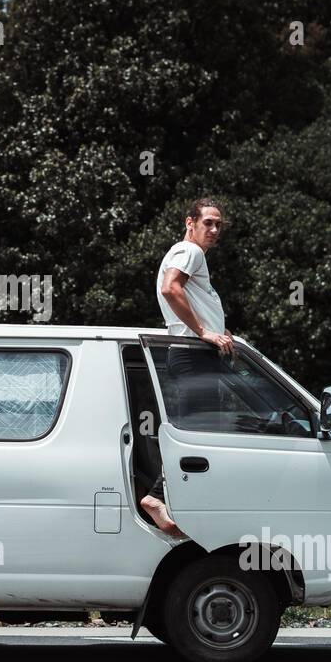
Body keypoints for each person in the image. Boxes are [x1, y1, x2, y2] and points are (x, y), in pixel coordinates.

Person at [139, 197, 233, 537]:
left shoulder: (193, 257)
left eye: (219, 224)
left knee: (204, 432)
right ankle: (157, 496)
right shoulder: (188, 251)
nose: (214, 229)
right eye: (208, 222)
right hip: (192, 353)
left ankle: (170, 497)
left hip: (194, 352)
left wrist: (216, 329)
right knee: (201, 434)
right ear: (189, 222)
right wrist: (204, 332)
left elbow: (184, 295)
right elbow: (170, 288)